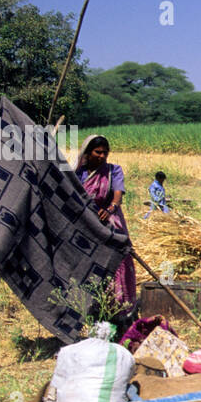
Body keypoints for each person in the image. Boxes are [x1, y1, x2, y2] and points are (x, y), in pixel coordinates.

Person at [75, 134, 137, 315]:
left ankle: (119, 309)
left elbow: (118, 193)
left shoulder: (113, 171)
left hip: (109, 223)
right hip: (86, 224)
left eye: (105, 153)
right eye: (98, 152)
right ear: (87, 152)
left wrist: (110, 208)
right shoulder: (78, 173)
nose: (102, 156)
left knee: (118, 263)